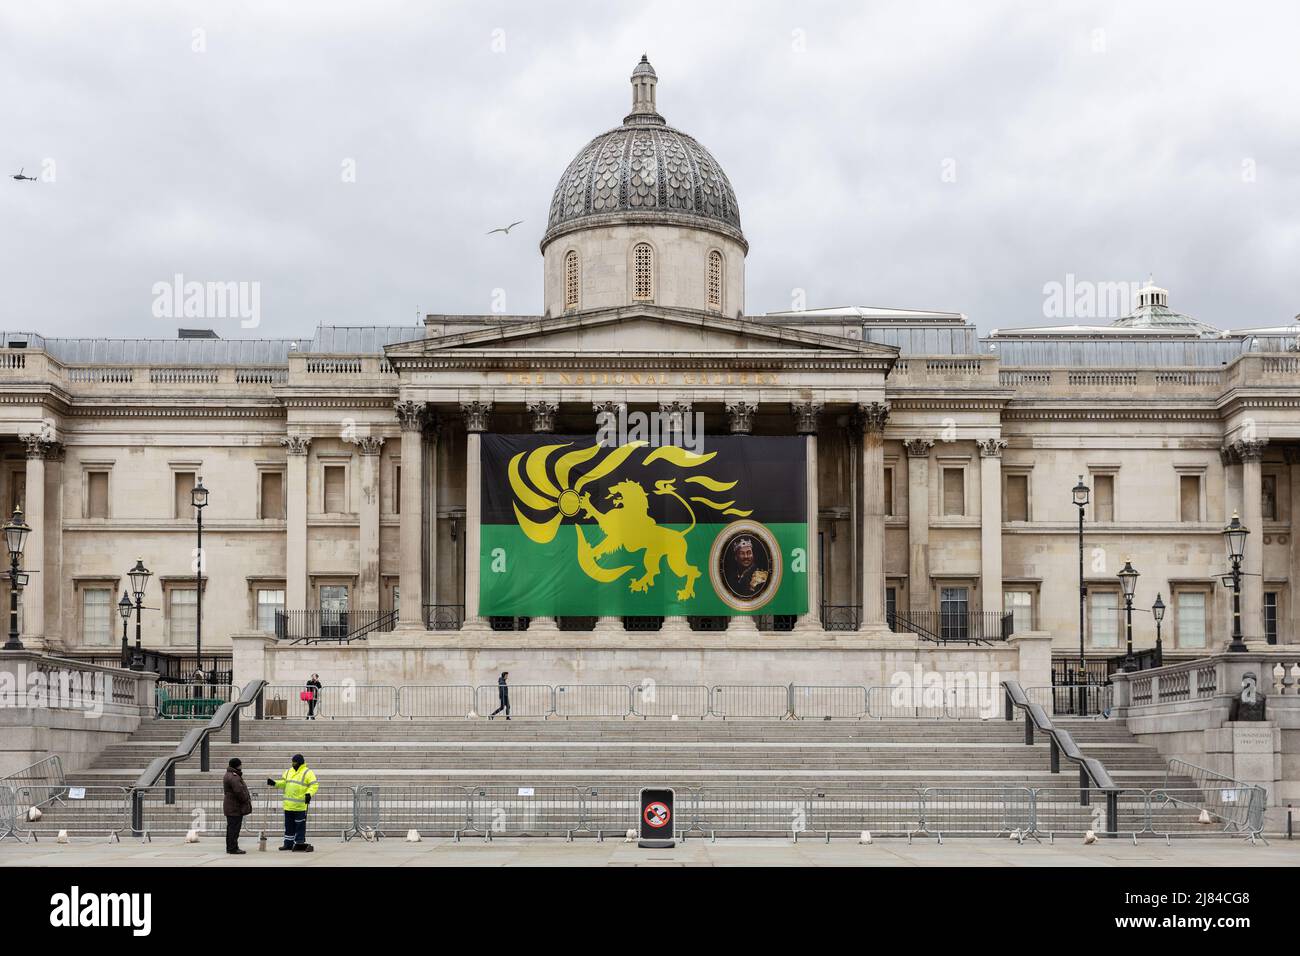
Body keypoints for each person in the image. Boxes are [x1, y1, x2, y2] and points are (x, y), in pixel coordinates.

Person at [267, 753, 319, 851]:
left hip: (300, 805)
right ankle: (288, 844)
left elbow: (314, 785)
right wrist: (275, 783)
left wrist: (309, 794)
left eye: (295, 762)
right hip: (288, 805)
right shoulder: (288, 771)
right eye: (292, 762)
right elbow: (284, 784)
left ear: (300, 763)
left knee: (300, 826)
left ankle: (299, 843)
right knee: (288, 826)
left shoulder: (308, 772)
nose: (293, 764)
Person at [222, 757, 253, 855]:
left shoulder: (228, 774)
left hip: (231, 806)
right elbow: (239, 791)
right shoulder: (234, 777)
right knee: (234, 829)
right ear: (237, 765)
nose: (241, 766)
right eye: (240, 764)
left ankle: (231, 847)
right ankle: (233, 848)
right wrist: (246, 799)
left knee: (231, 828)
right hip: (234, 806)